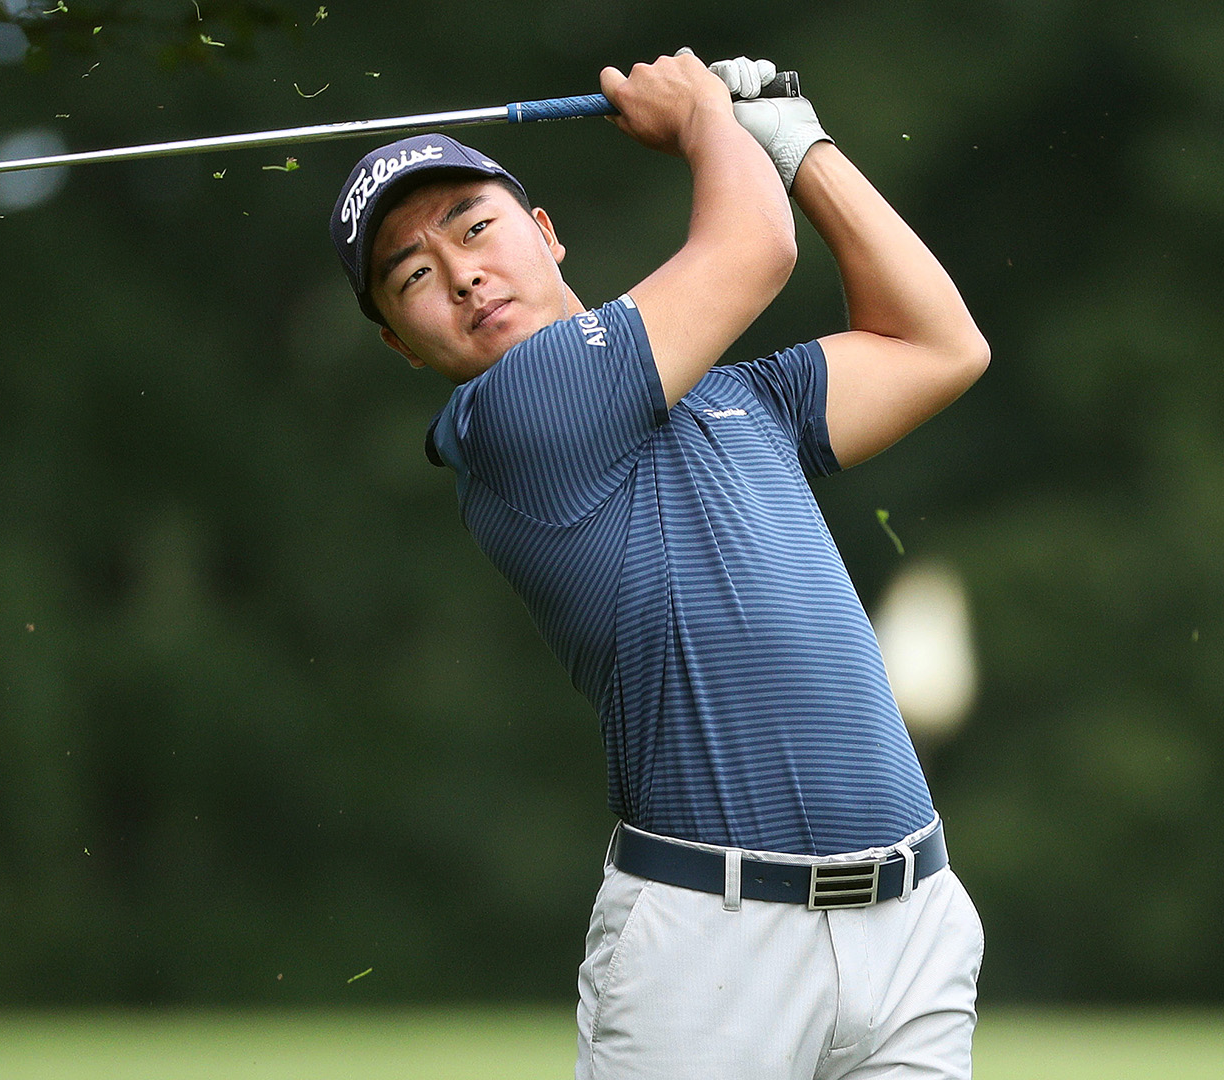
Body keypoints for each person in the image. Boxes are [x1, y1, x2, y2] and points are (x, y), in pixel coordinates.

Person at [330, 51, 989, 1080]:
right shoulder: (510, 419)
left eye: (473, 226)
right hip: (713, 949)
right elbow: (758, 247)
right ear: (401, 348)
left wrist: (797, 142)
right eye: (410, 276)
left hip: (913, 924)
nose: (460, 273)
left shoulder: (739, 400)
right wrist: (702, 119)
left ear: (543, 233)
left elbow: (940, 344)